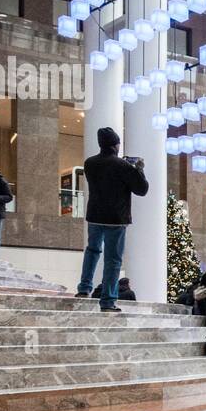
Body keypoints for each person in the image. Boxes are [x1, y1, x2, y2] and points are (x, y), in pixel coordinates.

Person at [77, 127, 148, 312]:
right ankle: (108, 301)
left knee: (92, 251)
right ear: (116, 145)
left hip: (94, 216)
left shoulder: (89, 163)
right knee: (113, 260)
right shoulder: (122, 166)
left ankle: (84, 288)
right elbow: (142, 189)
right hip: (116, 219)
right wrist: (138, 169)